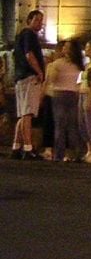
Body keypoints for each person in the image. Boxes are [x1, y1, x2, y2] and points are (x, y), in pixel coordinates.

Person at [11, 10, 46, 160]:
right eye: (37, 20)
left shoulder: (20, 36)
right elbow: (29, 54)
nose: (40, 23)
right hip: (29, 76)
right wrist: (39, 71)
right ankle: (28, 148)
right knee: (28, 113)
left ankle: (16, 146)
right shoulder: (29, 35)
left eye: (41, 20)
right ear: (29, 20)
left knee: (23, 113)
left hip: (20, 77)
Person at [45, 38, 85, 162]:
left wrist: (50, 66)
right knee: (73, 125)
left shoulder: (58, 63)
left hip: (59, 94)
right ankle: (78, 152)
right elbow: (79, 82)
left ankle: (59, 155)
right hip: (73, 94)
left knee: (60, 125)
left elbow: (52, 79)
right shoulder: (78, 65)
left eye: (66, 46)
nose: (63, 48)